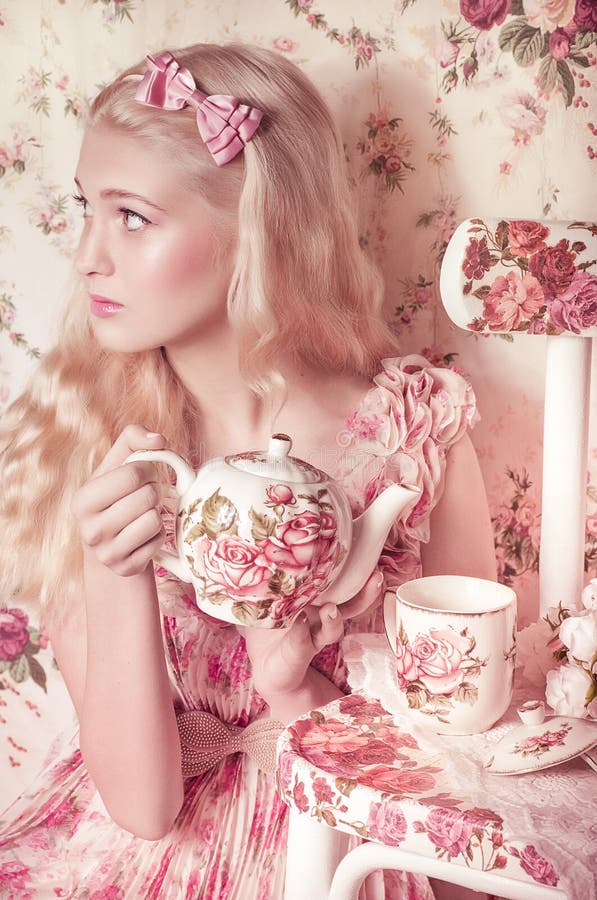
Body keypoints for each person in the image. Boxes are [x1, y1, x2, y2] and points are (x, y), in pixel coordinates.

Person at [0, 42, 496, 899]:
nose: (86, 256)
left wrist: (293, 689)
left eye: (132, 217)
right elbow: (144, 806)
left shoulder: (417, 431)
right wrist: (109, 569)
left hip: (344, 859)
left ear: (254, 231)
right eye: (88, 208)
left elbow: (465, 780)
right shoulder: (87, 437)